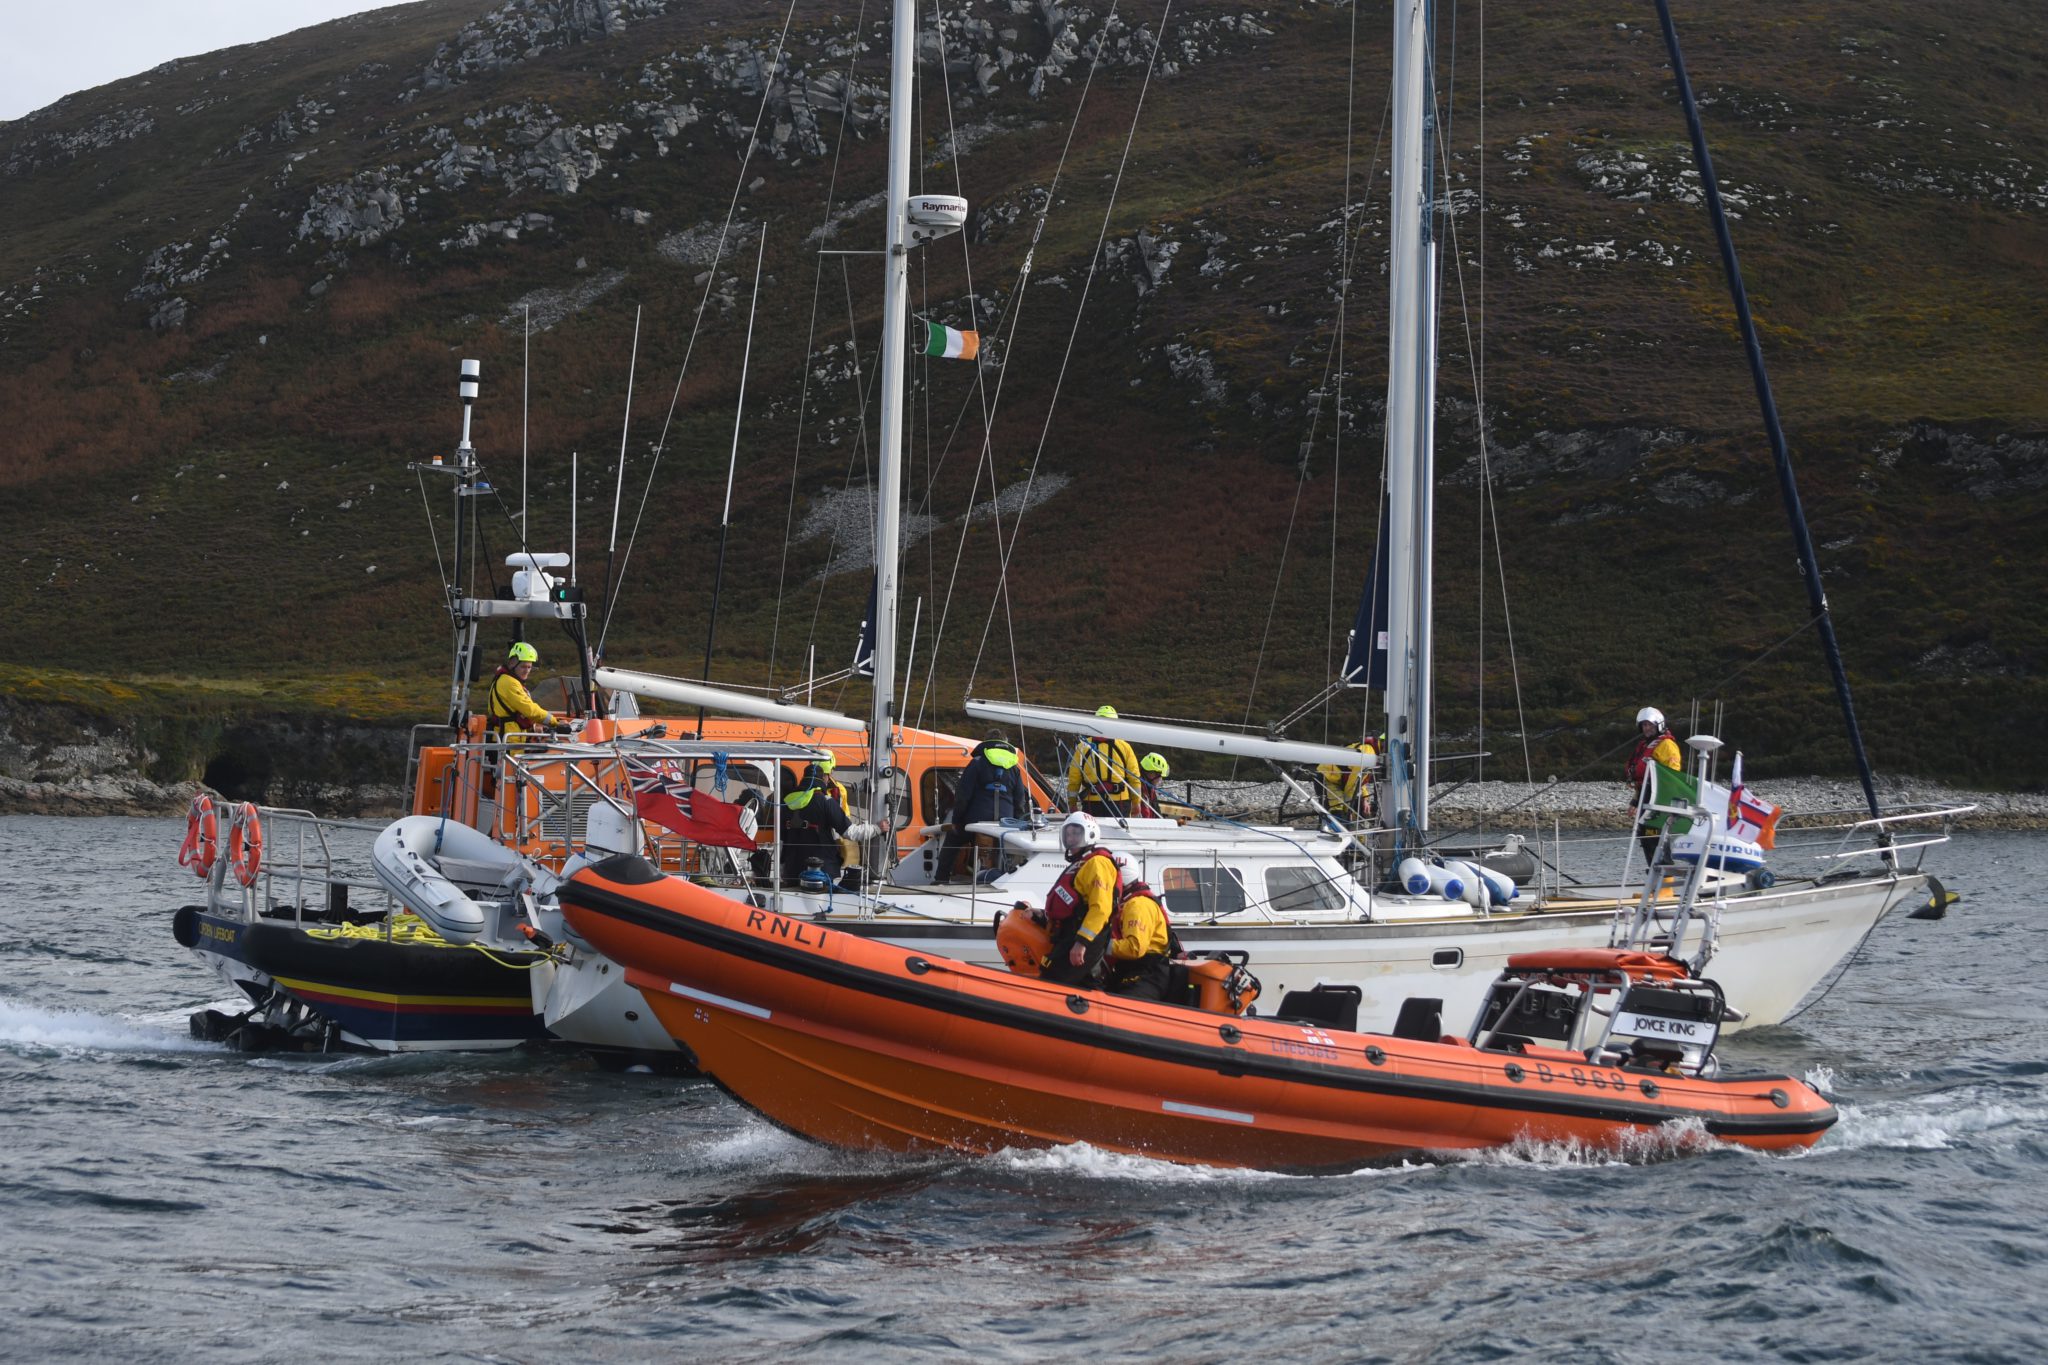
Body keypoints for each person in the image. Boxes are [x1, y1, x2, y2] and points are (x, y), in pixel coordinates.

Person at [1040, 811, 1123, 986]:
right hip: (1069, 934)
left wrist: (1082, 943)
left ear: (1090, 833)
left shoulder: (1097, 863)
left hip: (1084, 939)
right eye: (1068, 834)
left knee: (1054, 979)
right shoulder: (1083, 863)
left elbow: (1100, 908)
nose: (1070, 839)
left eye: (1076, 833)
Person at [934, 730, 1028, 882]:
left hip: (977, 821)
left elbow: (963, 796)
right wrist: (1017, 823)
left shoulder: (977, 762)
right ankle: (1007, 879)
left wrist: (957, 821)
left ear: (986, 742)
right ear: (1005, 742)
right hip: (1005, 824)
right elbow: (1019, 801)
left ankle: (941, 879)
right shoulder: (1014, 768)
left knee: (953, 838)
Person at [780, 765, 885, 885]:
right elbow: (851, 833)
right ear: (824, 777)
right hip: (821, 872)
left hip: (792, 871)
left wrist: (782, 868)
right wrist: (877, 828)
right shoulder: (826, 801)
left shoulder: (786, 801)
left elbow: (782, 839)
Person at [1102, 877, 1179, 1001]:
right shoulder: (1131, 903)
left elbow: (1134, 948)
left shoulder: (1138, 905)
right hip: (1133, 972)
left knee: (1123, 1010)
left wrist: (1100, 945)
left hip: (1147, 974)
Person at [1626, 706, 1684, 866]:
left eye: (1649, 724)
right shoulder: (1645, 745)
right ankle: (1654, 874)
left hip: (1659, 798)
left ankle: (1664, 876)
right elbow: (1642, 780)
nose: (1646, 728)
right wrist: (1635, 801)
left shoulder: (1666, 745)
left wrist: (1660, 798)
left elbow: (1671, 775)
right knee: (1644, 835)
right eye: (1644, 725)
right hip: (1645, 795)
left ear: (1658, 724)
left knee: (1655, 835)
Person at [1065, 705, 1141, 817]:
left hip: (1092, 802)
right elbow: (1134, 778)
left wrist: (1072, 803)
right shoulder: (1124, 747)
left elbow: (1074, 779)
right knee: (1119, 834)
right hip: (1120, 802)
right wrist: (1136, 802)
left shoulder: (1082, 747)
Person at [486, 641, 558, 743]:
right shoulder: (509, 683)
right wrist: (554, 722)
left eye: (529, 667)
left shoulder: (507, 680)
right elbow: (529, 709)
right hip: (509, 741)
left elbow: (517, 713)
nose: (527, 671)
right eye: (523, 666)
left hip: (511, 737)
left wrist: (533, 727)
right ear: (512, 664)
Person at [1315, 737, 1377, 823]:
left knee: (1360, 809)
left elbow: (1360, 781)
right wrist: (1349, 809)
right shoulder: (1368, 753)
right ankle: (1333, 831)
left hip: (1340, 781)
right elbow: (1353, 782)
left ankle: (1357, 833)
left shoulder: (1370, 751)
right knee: (1337, 811)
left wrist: (1365, 799)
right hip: (1328, 777)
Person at [1135, 752, 1171, 818]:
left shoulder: (1150, 789)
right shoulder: (1138, 788)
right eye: (1159, 775)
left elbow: (1157, 814)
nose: (1160, 779)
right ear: (1150, 773)